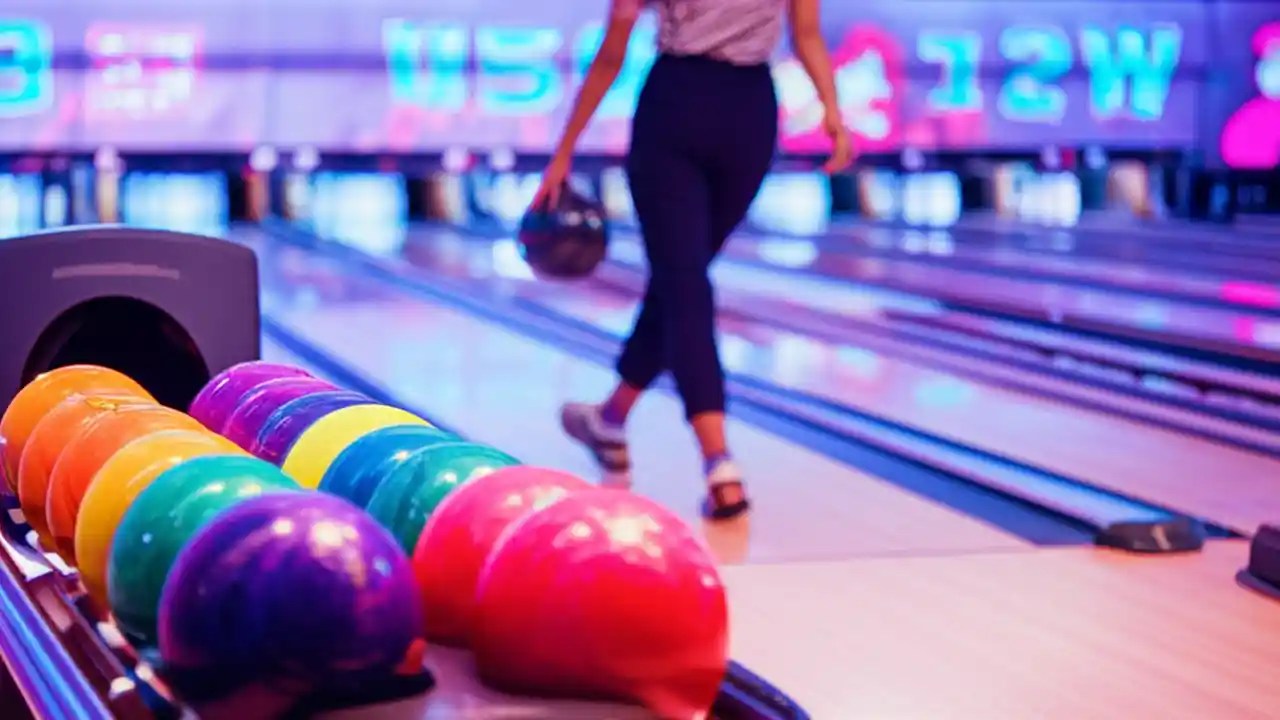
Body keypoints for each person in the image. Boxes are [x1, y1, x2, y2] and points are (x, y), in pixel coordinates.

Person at [532, 0, 852, 519]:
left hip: (691, 106)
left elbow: (614, 50)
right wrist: (565, 150)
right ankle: (716, 459)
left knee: (682, 282)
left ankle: (615, 422)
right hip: (740, 112)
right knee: (685, 282)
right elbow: (807, 34)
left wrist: (832, 111)